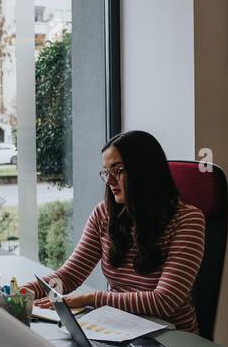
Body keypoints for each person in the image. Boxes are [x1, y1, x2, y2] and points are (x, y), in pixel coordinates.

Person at [19, 130, 205, 333]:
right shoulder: (104, 214)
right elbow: (69, 276)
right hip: (117, 330)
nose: (109, 181)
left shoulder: (188, 220)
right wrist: (22, 292)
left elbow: (164, 301)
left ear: (146, 171)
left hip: (173, 339)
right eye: (106, 172)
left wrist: (92, 298)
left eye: (118, 171)